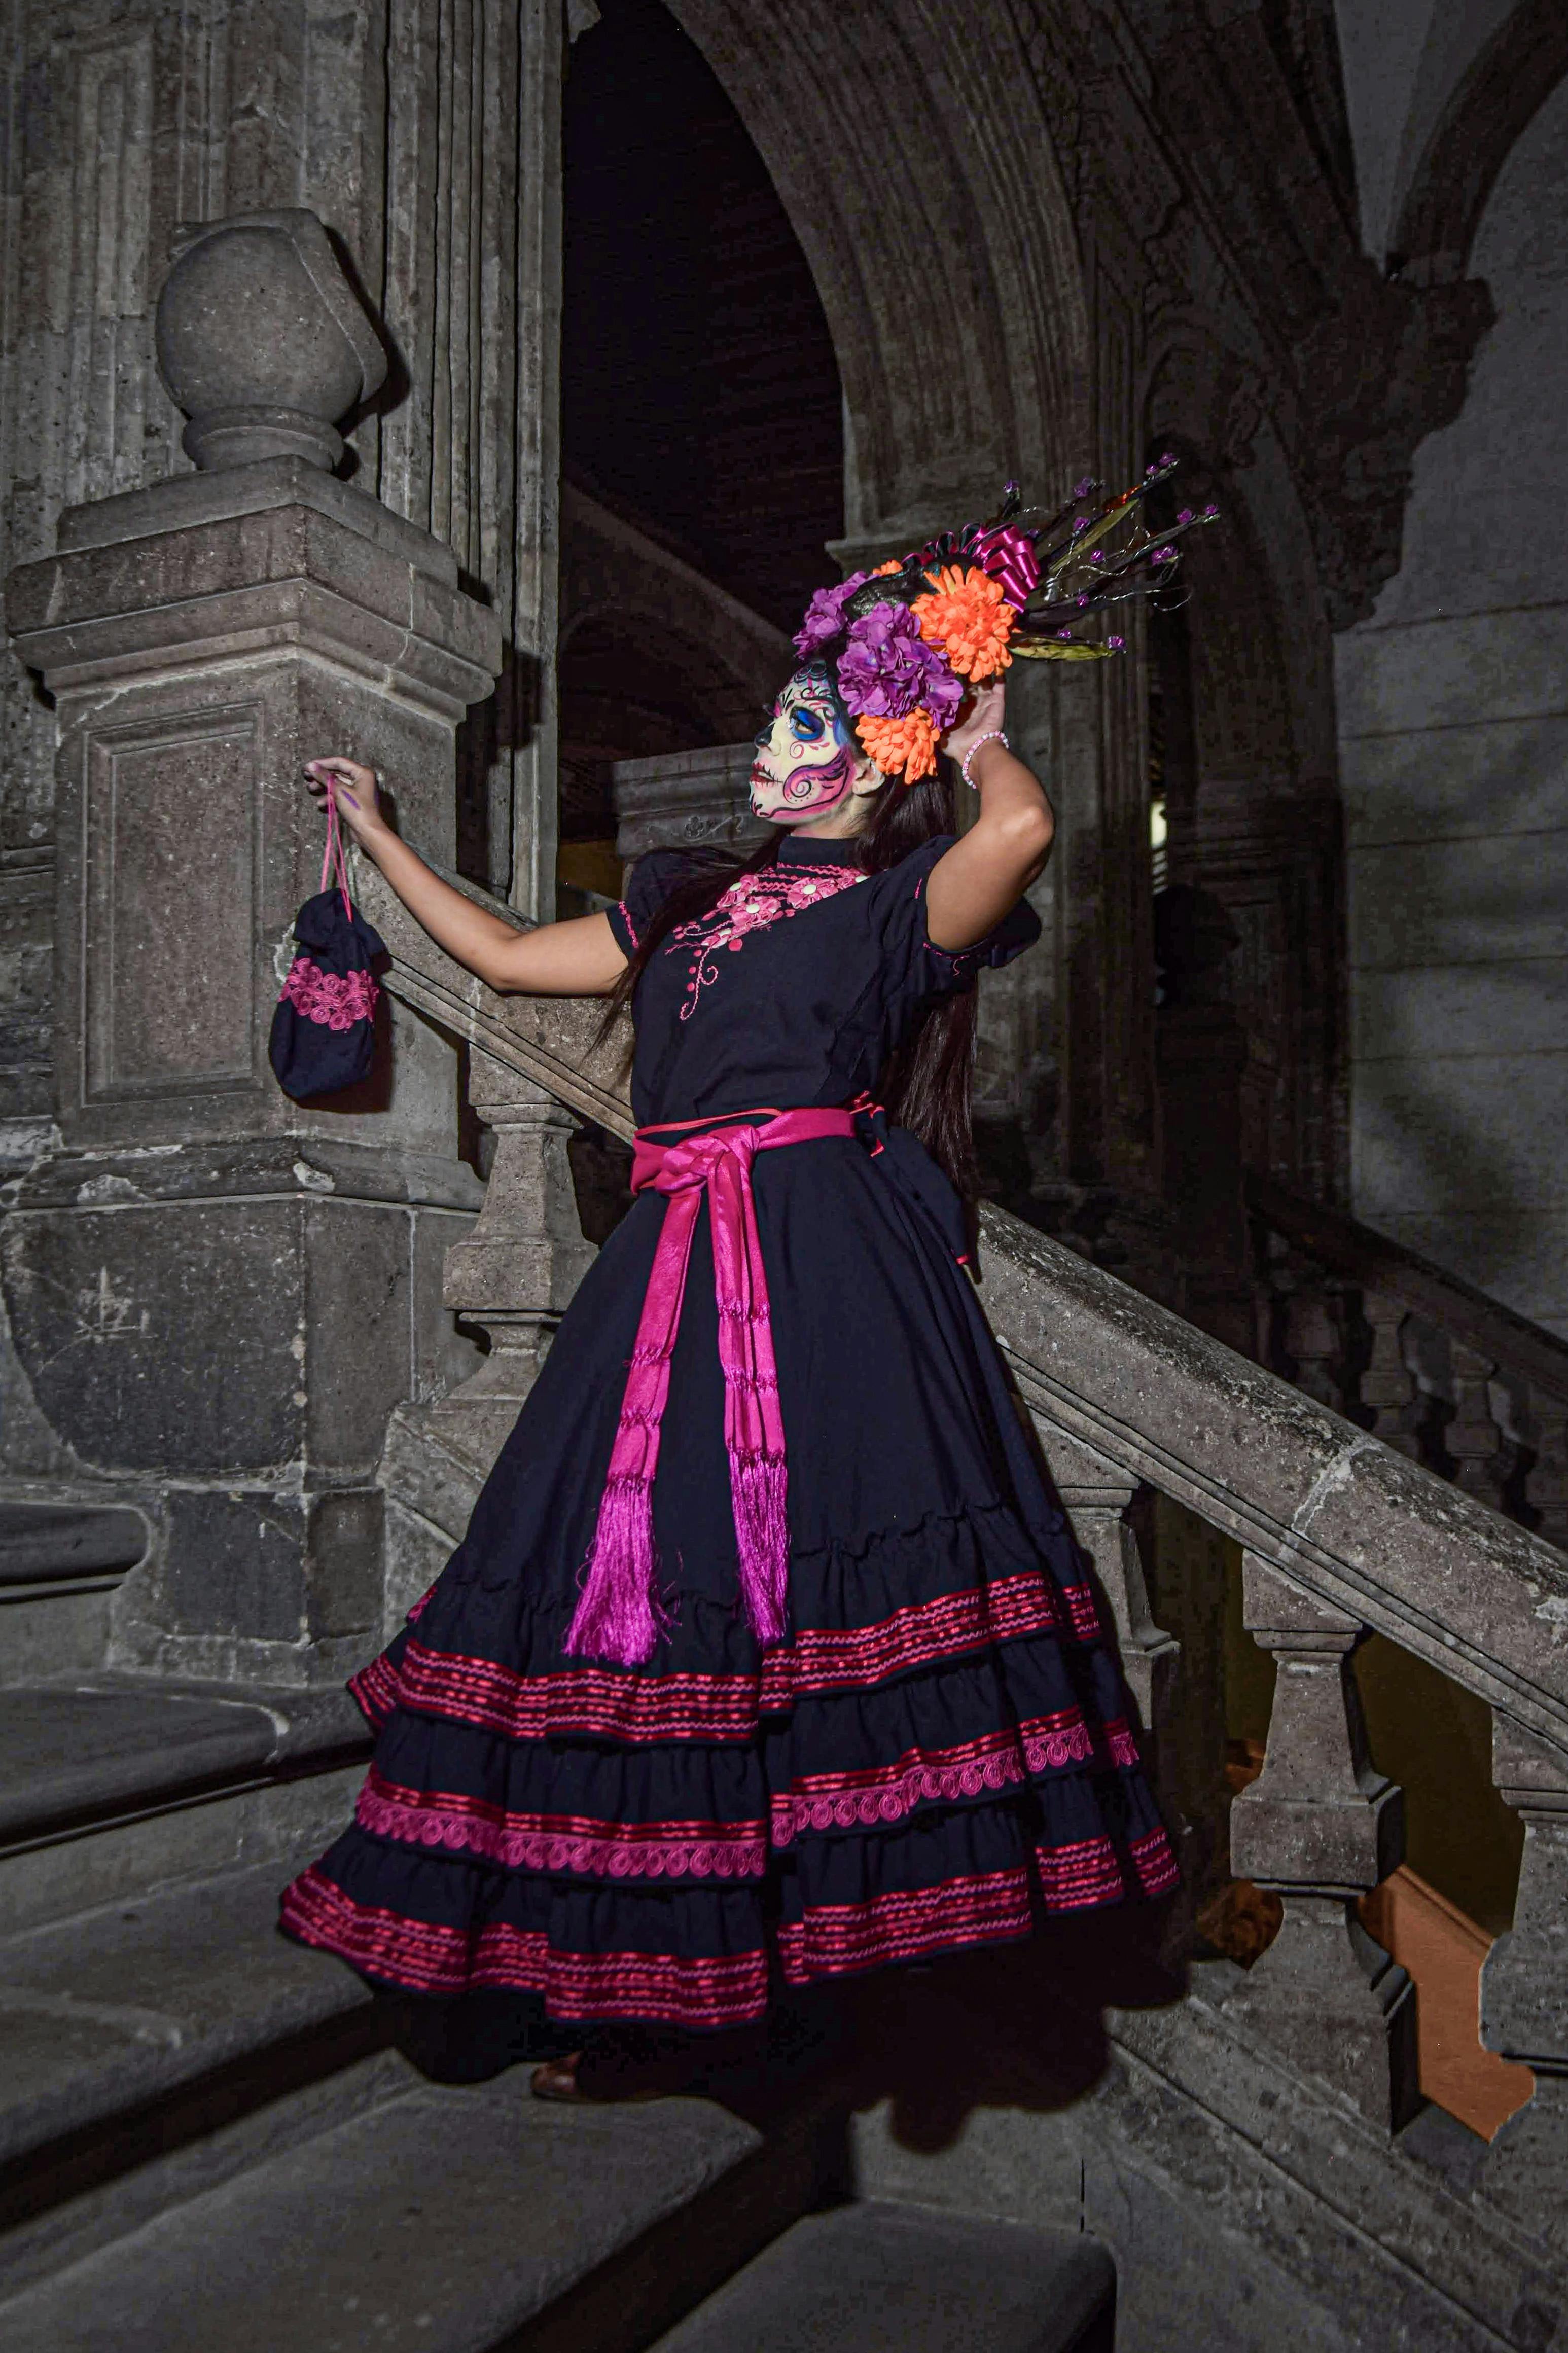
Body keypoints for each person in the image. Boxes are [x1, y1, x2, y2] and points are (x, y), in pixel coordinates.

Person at [279, 505, 1179, 2099]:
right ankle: (635, 1990)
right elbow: (495, 954)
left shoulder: (896, 914)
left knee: (800, 1632)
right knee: (635, 1615)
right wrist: (384, 828)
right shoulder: (685, 901)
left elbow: (1024, 835)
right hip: (667, 1270)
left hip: (822, 1275)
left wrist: (976, 731)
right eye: (777, 724)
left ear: (879, 759)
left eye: (813, 725)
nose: (777, 749)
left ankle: (801, 2000)